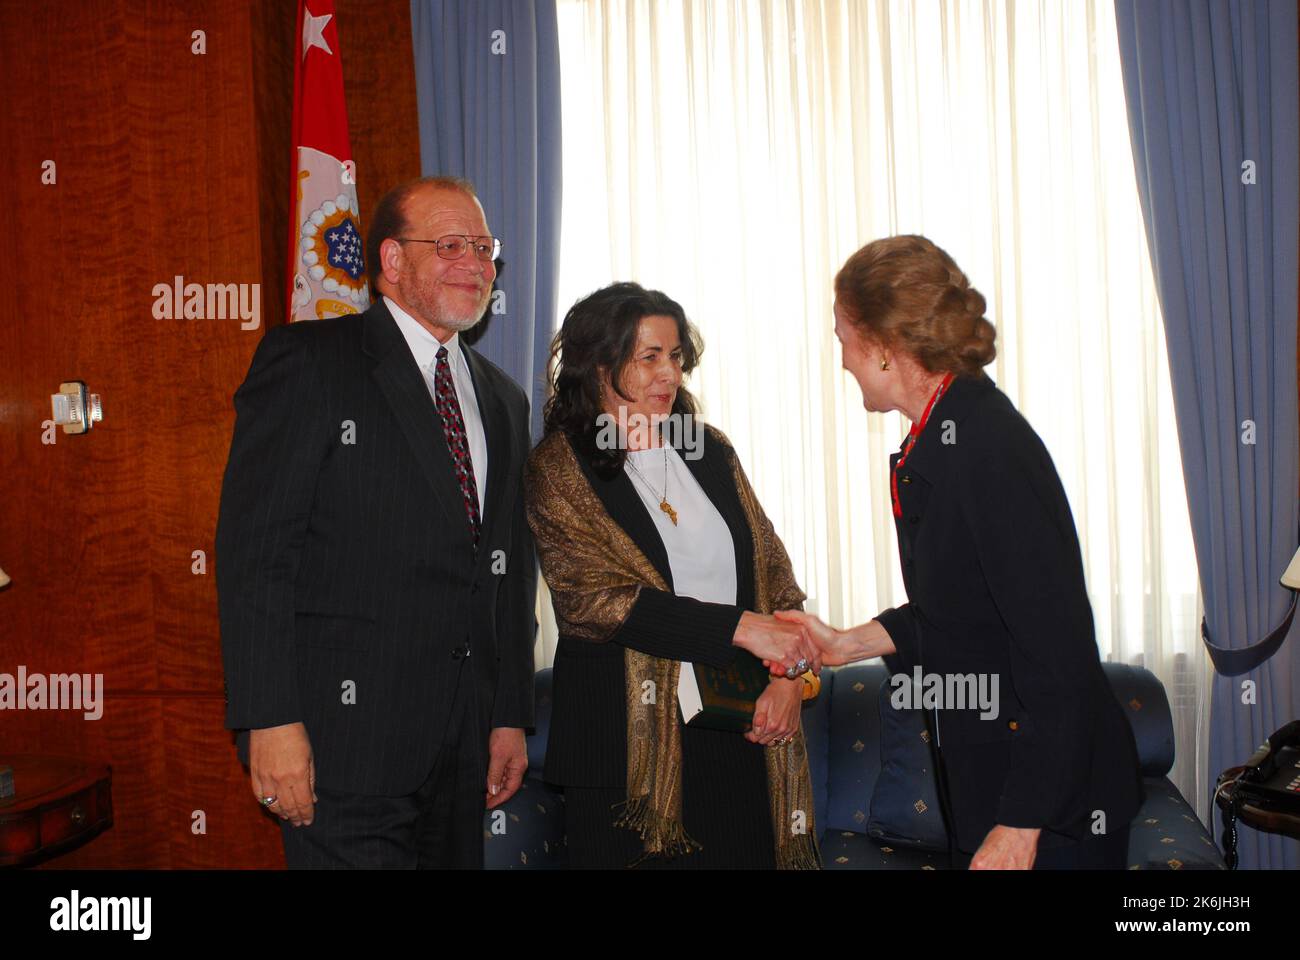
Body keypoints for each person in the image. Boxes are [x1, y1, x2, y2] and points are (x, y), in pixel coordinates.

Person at [780, 235, 1143, 870]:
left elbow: (1059, 657)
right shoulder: (941, 438)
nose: (839, 359)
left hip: (1052, 808)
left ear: (886, 347)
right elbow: (957, 614)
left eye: (842, 338)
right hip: (996, 784)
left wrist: (1020, 823)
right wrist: (842, 645)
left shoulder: (987, 450)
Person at [216, 176, 537, 868]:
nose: (476, 265)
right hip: (341, 750)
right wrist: (268, 719)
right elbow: (257, 558)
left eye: (485, 249)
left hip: (461, 754)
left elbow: (506, 573)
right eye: (450, 245)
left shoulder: (503, 400)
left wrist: (509, 714)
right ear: (392, 261)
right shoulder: (310, 363)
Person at [525, 282, 822, 869]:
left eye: (677, 356)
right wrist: (740, 628)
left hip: (735, 730)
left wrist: (790, 680)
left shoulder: (708, 450)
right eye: (650, 357)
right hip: (623, 748)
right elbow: (596, 601)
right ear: (600, 363)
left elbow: (775, 577)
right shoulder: (560, 466)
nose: (670, 374)